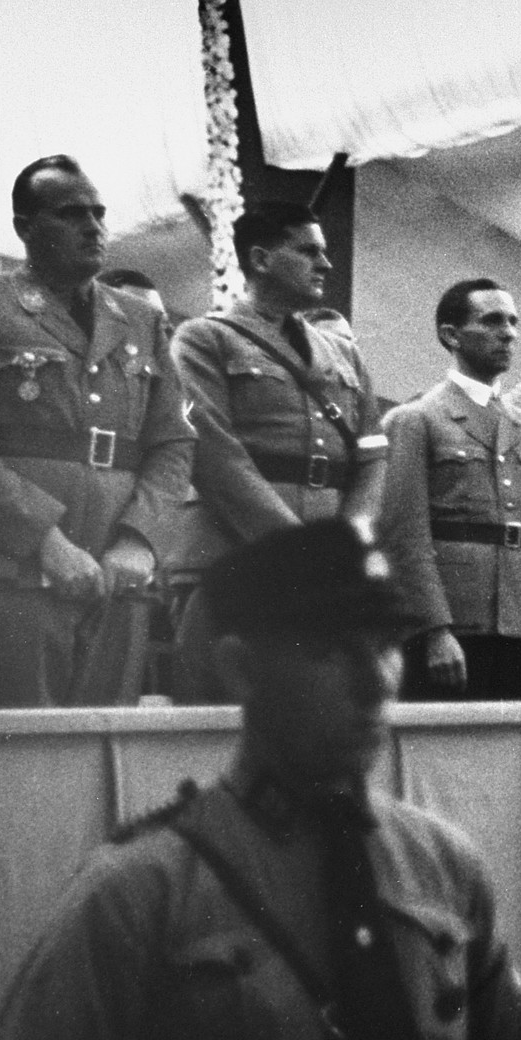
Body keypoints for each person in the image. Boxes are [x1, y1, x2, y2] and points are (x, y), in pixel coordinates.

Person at [0, 518, 521, 1040]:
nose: (376, 683)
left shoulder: (446, 869)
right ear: (241, 669)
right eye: (331, 651)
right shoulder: (138, 898)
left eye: (387, 646)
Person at [169, 201, 389, 700]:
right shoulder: (204, 339)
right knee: (225, 711)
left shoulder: (344, 353)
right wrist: (301, 553)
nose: (324, 264)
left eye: (324, 252)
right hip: (234, 558)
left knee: (312, 710)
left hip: (324, 573)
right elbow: (215, 455)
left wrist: (345, 548)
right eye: (308, 251)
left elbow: (373, 457)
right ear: (261, 259)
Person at [0, 155, 194, 707]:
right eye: (70, 214)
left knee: (109, 740)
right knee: (23, 743)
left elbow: (174, 441)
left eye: (98, 213)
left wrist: (139, 540)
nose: (93, 227)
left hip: (119, 574)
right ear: (24, 228)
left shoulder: (141, 319)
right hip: (17, 571)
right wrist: (44, 541)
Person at [378, 278, 521, 700]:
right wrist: (434, 629)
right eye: (492, 321)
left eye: (512, 322)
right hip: (454, 624)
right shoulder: (416, 420)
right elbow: (404, 535)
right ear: (451, 335)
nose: (509, 334)